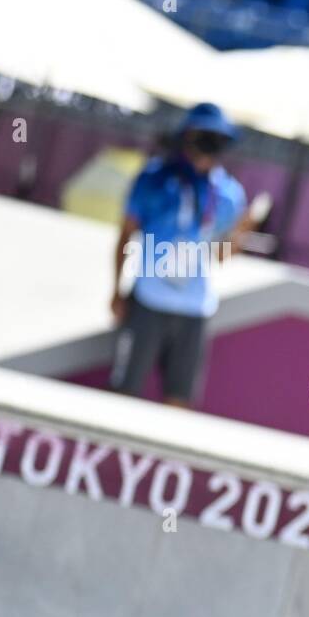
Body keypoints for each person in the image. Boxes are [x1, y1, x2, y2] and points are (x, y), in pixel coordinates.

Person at [110, 103, 251, 407]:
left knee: (179, 400)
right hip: (149, 300)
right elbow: (125, 235)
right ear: (186, 136)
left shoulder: (229, 193)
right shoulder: (155, 178)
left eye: (216, 138)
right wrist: (117, 290)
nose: (208, 145)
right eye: (203, 135)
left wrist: (241, 234)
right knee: (125, 391)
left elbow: (222, 255)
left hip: (194, 308)